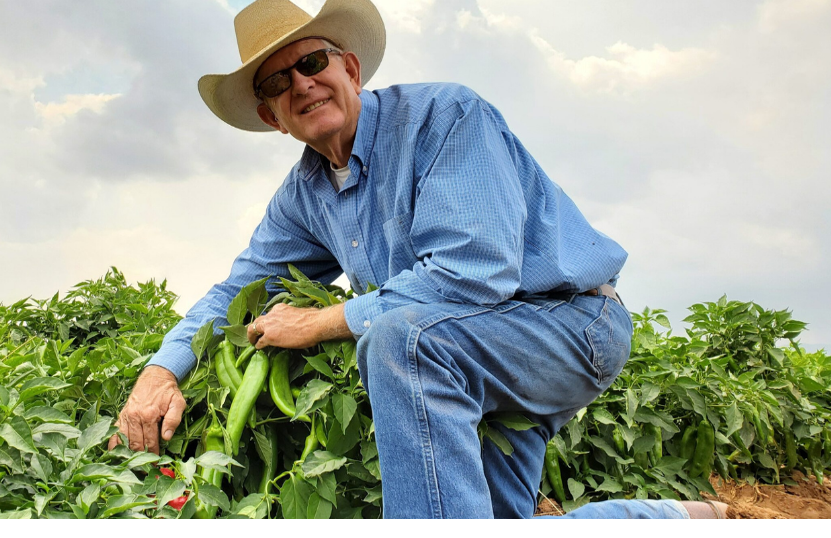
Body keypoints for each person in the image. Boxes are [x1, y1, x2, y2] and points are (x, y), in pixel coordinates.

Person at [110, 0, 727, 520]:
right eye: (276, 84)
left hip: (566, 325)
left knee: (402, 341)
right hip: (474, 351)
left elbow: (474, 271)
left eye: (311, 62)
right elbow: (236, 291)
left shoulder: (444, 116)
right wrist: (161, 371)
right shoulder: (304, 195)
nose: (300, 83)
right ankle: (675, 514)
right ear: (272, 117)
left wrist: (322, 321)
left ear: (349, 68)